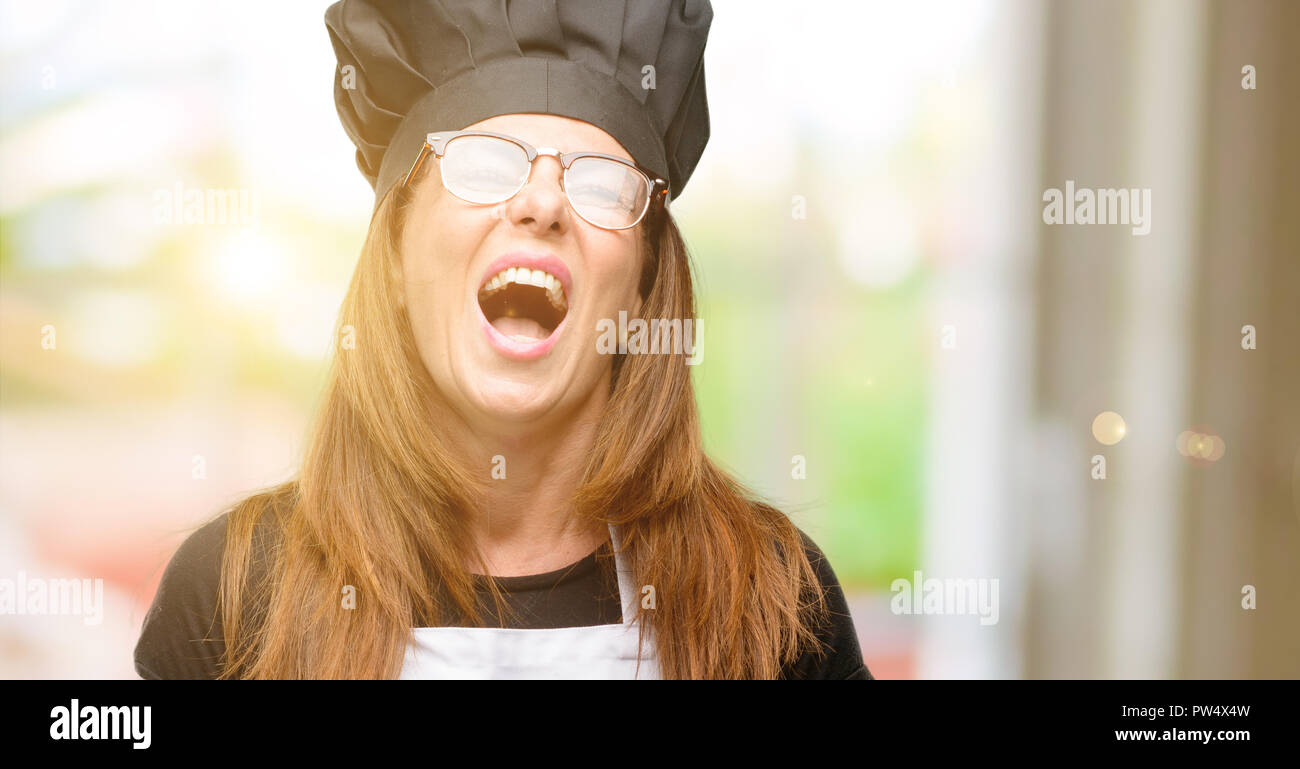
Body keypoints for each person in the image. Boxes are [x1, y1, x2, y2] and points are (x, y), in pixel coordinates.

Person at [134, 0, 871, 680]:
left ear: (644, 286)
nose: (543, 200)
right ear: (394, 256)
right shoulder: (234, 591)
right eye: (484, 163)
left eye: (601, 181)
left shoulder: (771, 596)